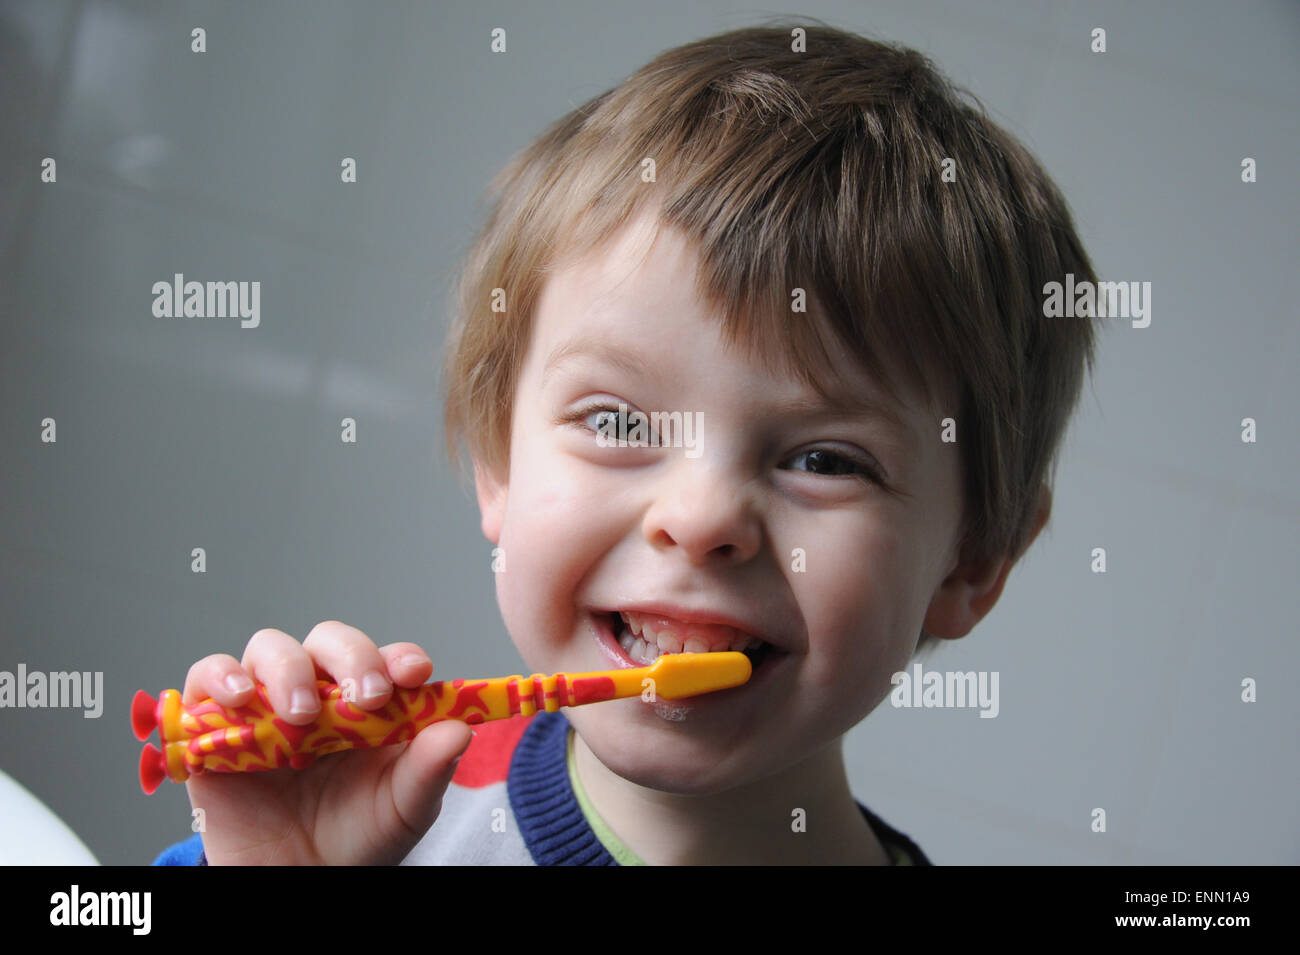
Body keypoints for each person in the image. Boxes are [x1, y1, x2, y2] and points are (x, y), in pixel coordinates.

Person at [153, 21, 1098, 865]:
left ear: (972, 559)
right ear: (499, 461)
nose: (699, 520)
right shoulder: (370, 827)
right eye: (615, 423)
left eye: (823, 459)